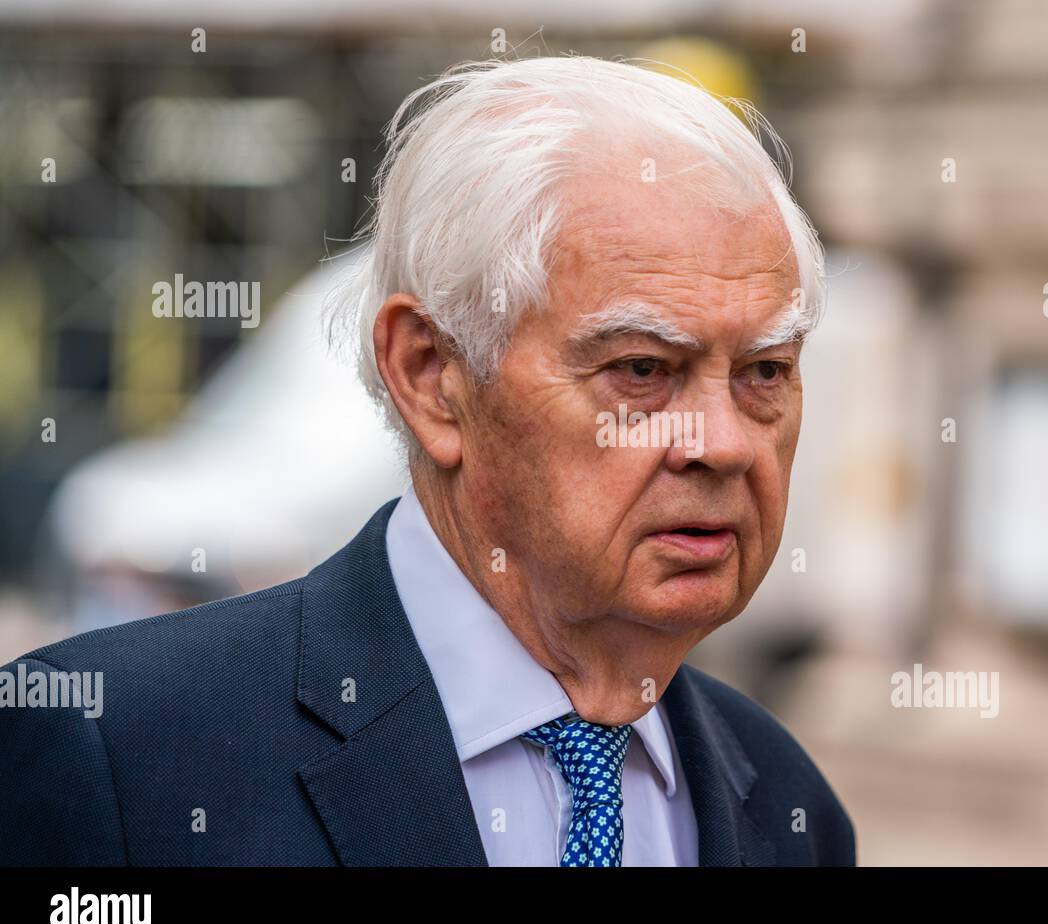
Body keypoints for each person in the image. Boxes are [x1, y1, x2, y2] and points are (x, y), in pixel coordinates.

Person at [0, 55, 855, 867]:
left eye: (765, 371)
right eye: (642, 369)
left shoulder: (787, 807)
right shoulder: (117, 752)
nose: (727, 443)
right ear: (431, 376)